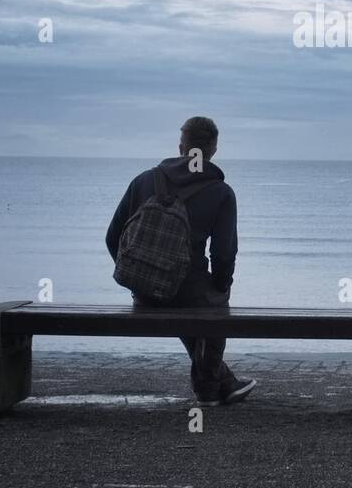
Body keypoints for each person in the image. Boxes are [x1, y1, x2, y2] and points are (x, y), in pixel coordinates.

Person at [105, 116, 256, 405]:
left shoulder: (143, 181)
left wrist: (140, 277)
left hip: (147, 296)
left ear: (180, 146)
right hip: (191, 296)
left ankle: (225, 382)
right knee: (212, 301)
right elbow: (224, 255)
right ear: (213, 150)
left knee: (181, 296)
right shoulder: (221, 192)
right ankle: (209, 388)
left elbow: (113, 238)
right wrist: (221, 287)